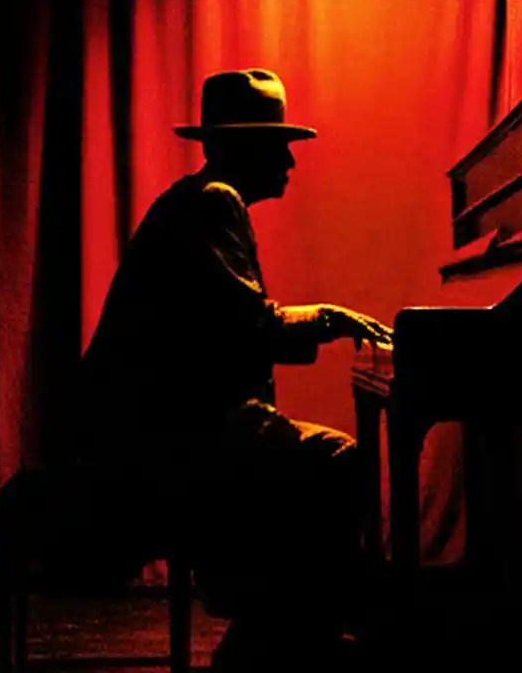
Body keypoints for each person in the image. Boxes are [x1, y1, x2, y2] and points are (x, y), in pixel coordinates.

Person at [74, 68, 392, 671]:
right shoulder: (214, 202)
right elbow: (254, 325)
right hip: (168, 434)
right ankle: (288, 629)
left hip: (165, 422)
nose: (290, 165)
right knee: (338, 460)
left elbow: (234, 323)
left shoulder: (196, 201)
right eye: (280, 147)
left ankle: (278, 622)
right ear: (241, 147)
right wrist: (329, 318)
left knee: (294, 457)